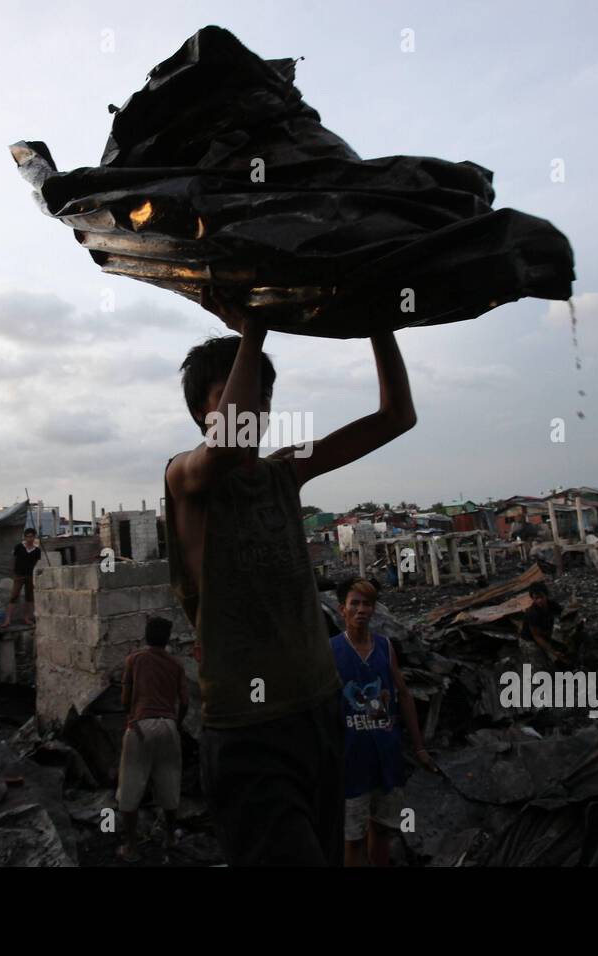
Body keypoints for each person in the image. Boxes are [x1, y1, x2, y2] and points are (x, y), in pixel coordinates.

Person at [163, 290, 417, 866]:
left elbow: (396, 416)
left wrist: (378, 323)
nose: (256, 408)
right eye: (235, 394)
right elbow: (225, 446)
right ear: (206, 411)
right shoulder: (185, 478)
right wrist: (252, 332)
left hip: (320, 713)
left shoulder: (286, 472)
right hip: (248, 731)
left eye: (264, 396)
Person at [331, 578, 436, 867]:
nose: (361, 609)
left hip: (385, 759)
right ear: (342, 609)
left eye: (367, 604)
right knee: (352, 838)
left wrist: (419, 747)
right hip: (351, 761)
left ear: (374, 609)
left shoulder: (384, 647)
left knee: (382, 830)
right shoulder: (332, 651)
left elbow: (403, 695)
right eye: (355, 603)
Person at [116, 616, 190, 862]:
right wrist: (176, 724)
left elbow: (125, 698)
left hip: (140, 725)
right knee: (169, 782)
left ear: (146, 636)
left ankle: (132, 848)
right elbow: (186, 702)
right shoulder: (176, 664)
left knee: (131, 784)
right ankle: (170, 837)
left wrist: (131, 715)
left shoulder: (134, 660)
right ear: (167, 639)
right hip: (168, 725)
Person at [521, 581, 568, 666]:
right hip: (530, 639)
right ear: (533, 599)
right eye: (536, 598)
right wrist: (553, 652)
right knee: (540, 664)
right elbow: (536, 636)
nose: (539, 601)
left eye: (541, 597)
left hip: (545, 633)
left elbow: (564, 616)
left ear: (546, 595)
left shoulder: (553, 605)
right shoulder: (532, 613)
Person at [4, 528, 42, 626]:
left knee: (29, 598)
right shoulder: (19, 547)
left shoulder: (37, 551)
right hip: (18, 575)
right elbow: (13, 559)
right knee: (14, 596)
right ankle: (8, 619)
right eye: (28, 536)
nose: (29, 539)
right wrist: (14, 573)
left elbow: (35, 563)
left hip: (29, 575)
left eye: (31, 536)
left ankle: (27, 618)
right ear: (25, 537)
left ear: (34, 537)